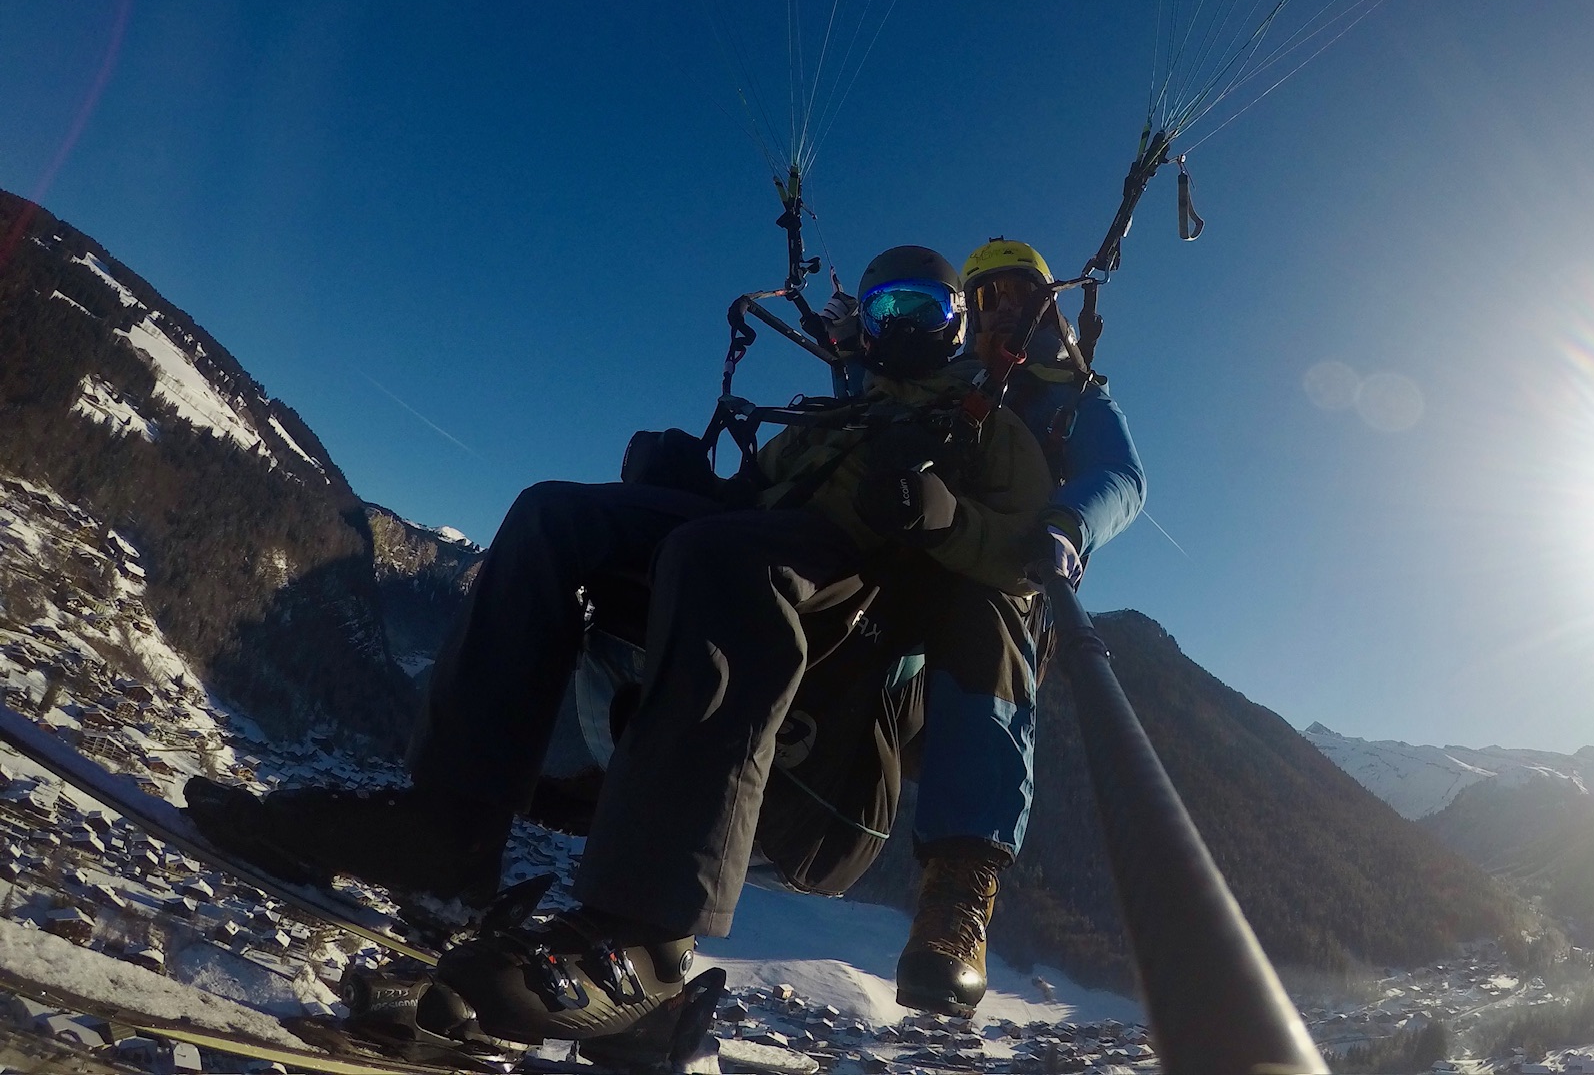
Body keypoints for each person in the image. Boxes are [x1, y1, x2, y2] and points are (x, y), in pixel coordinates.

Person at [188, 246, 1053, 1045]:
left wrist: (945, 516)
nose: (903, 319)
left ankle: (648, 934)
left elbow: (1020, 565)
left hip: (861, 578)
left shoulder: (988, 426)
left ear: (954, 322)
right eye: (886, 301)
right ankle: (448, 830)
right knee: (552, 515)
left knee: (718, 556)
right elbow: (746, 500)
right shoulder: (827, 415)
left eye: (926, 303)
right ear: (864, 316)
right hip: (752, 540)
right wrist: (685, 480)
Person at [886, 238, 1146, 1017]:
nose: (1002, 307)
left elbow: (1123, 477)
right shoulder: (945, 378)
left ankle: (961, 887)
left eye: (1017, 293)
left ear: (1046, 304)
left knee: (984, 612)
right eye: (986, 295)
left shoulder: (1073, 398)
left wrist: (1068, 524)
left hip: (998, 577)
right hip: (900, 559)